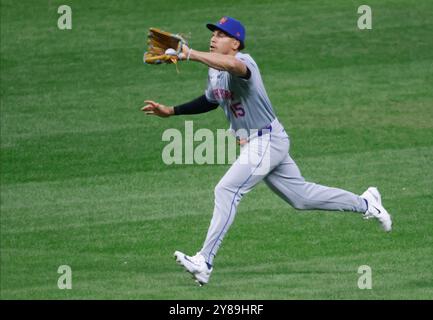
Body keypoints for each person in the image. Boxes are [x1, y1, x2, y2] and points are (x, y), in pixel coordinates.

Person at [142, 16, 392, 286]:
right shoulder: (214, 71)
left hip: (266, 141)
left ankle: (204, 261)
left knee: (226, 190)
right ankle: (367, 203)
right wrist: (171, 111)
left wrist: (190, 54)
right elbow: (211, 99)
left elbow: (233, 65)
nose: (213, 38)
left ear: (235, 43)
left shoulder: (245, 63)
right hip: (264, 143)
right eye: (213, 33)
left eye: (221, 35)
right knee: (301, 198)